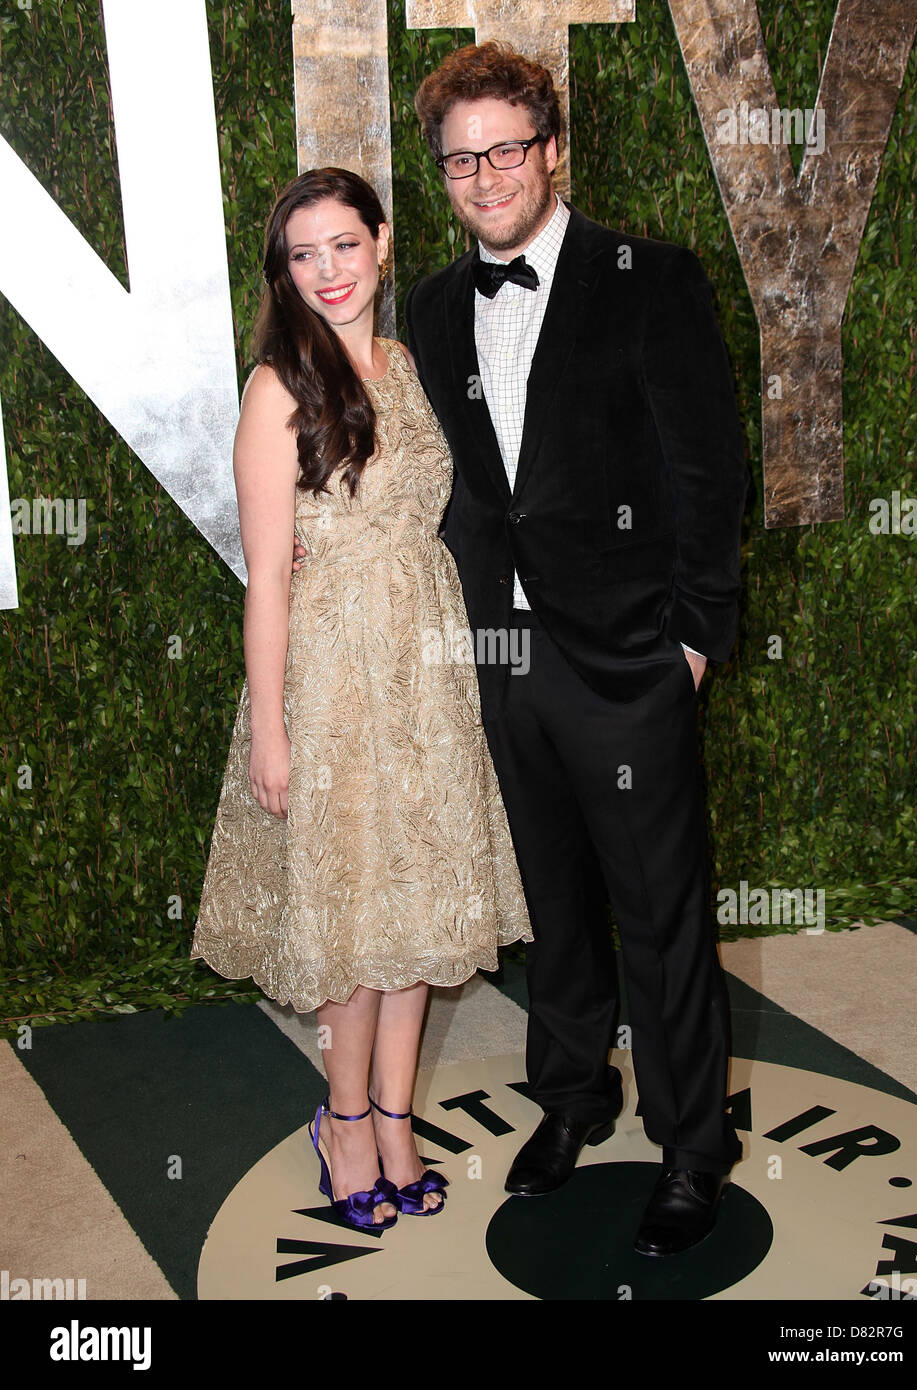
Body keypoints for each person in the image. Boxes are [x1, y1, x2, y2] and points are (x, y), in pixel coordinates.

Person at [401, 41, 750, 1257]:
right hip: (501, 651)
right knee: (554, 903)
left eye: (505, 148)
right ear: (442, 176)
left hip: (628, 659)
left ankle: (691, 1145)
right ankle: (570, 1100)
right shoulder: (432, 307)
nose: (485, 174)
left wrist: (695, 638)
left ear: (550, 150)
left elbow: (706, 471)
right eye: (461, 159)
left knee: (660, 912)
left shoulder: (648, 277)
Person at [190, 167, 531, 1233]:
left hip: (424, 674)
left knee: (416, 907)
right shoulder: (275, 387)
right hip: (331, 680)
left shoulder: (411, 362)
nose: (326, 272)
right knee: (349, 917)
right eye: (302, 255)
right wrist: (275, 730)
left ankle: (394, 1117)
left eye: (343, 245)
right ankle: (341, 1122)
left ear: (381, 244)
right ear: (282, 273)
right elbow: (268, 580)